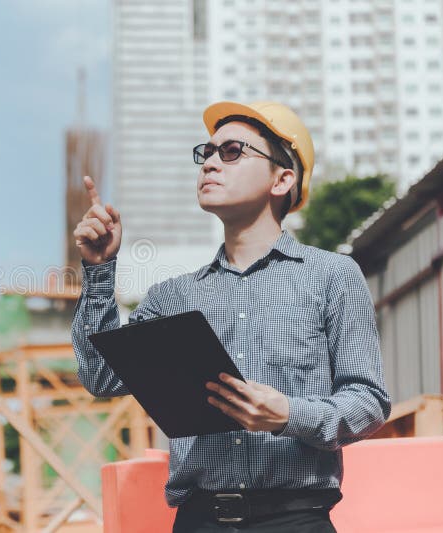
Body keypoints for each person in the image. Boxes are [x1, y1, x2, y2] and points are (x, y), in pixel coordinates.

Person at [70, 101, 391, 532]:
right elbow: (100, 377)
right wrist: (99, 270)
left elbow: (368, 401)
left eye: (232, 151)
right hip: (199, 521)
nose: (210, 164)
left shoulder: (332, 277)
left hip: (297, 520)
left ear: (282, 179)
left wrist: (289, 414)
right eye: (207, 152)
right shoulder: (172, 296)